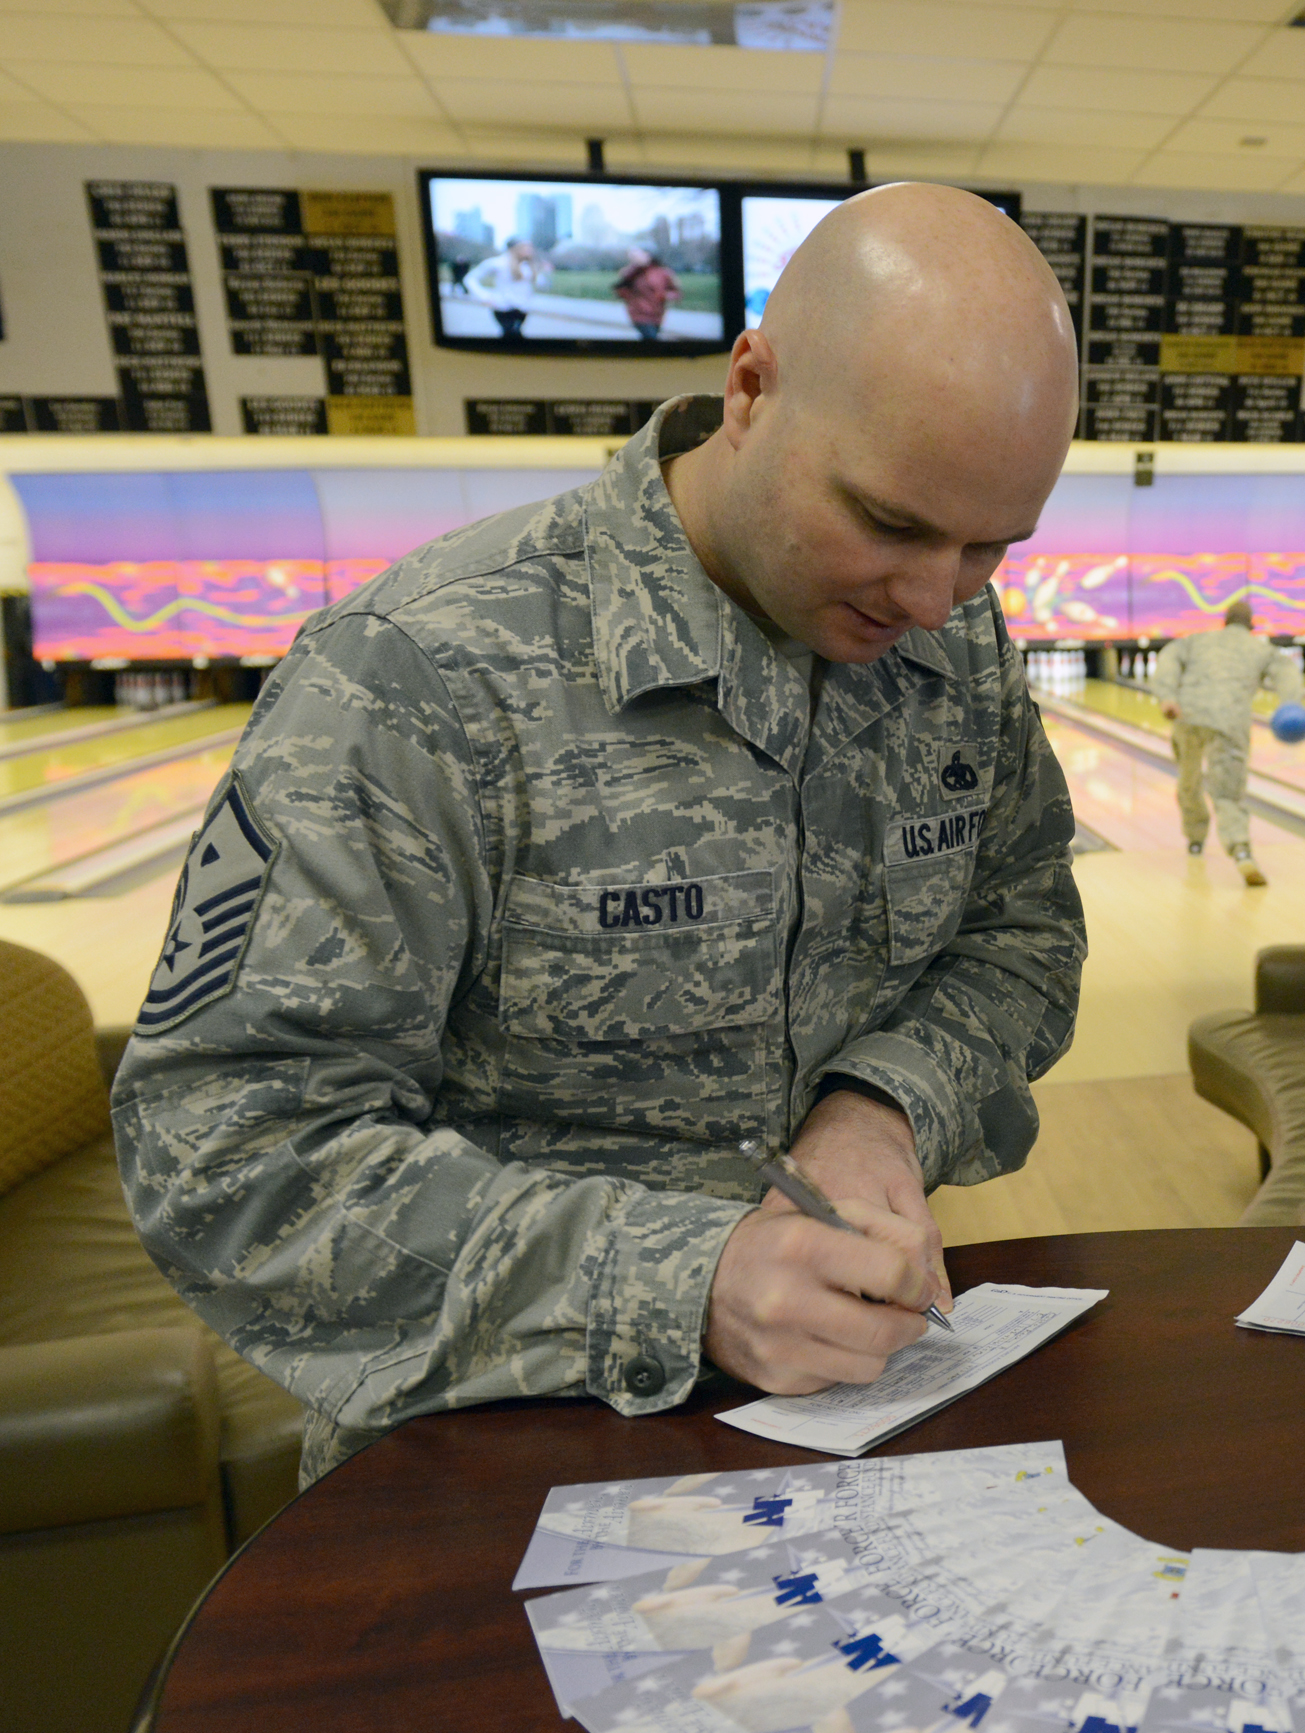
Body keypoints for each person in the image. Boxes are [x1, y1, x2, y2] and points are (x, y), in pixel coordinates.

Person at [114, 185, 1088, 1482]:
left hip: (860, 1412)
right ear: (751, 386)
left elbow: (1023, 934)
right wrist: (685, 1281)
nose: (930, 598)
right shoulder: (419, 674)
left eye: (989, 549)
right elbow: (225, 1150)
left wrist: (882, 1109)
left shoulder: (957, 649)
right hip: (491, 1460)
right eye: (890, 524)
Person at [1149, 599, 1302, 888]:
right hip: (1230, 724)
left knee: (1189, 781)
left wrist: (1166, 695)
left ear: (1225, 621)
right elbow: (1288, 671)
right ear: (1251, 625)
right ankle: (1241, 850)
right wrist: (1290, 703)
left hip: (1188, 717)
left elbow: (1168, 656)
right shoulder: (1261, 649)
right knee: (1227, 794)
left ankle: (1195, 839)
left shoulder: (1197, 640)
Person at [463, 236, 547, 339]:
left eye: (530, 248)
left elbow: (542, 284)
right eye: (525, 247)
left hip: (522, 309)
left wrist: (544, 271)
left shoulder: (527, 265)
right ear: (516, 248)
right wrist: (484, 296)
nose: (529, 251)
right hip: (503, 308)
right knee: (513, 335)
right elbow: (470, 278)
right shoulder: (499, 263)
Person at [614, 246, 683, 342]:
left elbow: (675, 291)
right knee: (650, 337)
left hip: (657, 314)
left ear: (648, 255)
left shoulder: (663, 272)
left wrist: (666, 296)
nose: (635, 259)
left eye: (637, 256)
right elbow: (621, 290)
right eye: (632, 257)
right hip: (639, 314)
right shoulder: (630, 274)